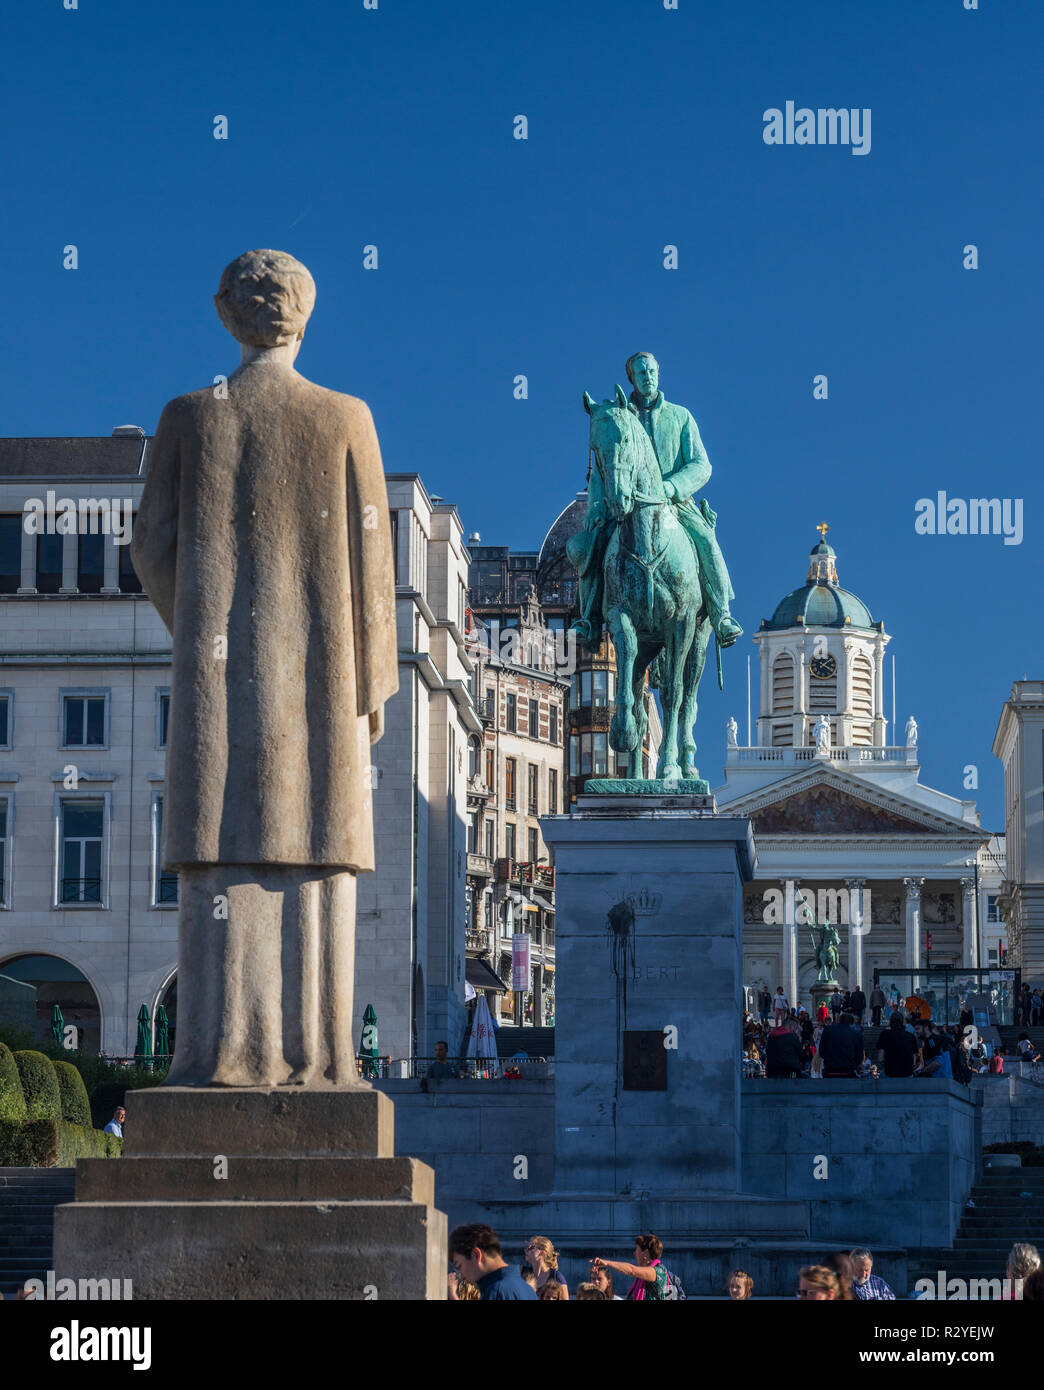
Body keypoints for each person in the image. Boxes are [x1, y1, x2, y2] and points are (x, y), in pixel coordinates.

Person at [568, 351, 742, 650]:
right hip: (622, 505)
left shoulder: (680, 416)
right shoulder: (618, 416)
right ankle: (589, 618)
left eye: (651, 371)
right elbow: (601, 468)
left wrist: (672, 487)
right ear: (632, 379)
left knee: (706, 540)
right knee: (592, 546)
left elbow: (702, 465)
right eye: (641, 373)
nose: (647, 376)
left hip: (675, 504)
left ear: (658, 374)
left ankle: (722, 613)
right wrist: (597, 509)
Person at [449, 1224, 537, 1300]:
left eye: (459, 1265)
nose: (461, 1275)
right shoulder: (528, 1290)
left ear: (475, 1254)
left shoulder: (496, 1291)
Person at [591, 1234, 671, 1301]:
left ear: (645, 1253)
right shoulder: (642, 1277)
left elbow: (632, 1270)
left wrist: (607, 1263)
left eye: (636, 1249)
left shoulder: (657, 1271)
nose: (634, 1253)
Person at [819, 1013, 864, 1078]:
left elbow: (821, 1051)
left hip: (830, 1069)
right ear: (851, 1023)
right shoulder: (856, 1033)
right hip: (848, 1070)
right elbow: (859, 1056)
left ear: (839, 1021)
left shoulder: (828, 1030)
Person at [876, 1013, 917, 1078]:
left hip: (890, 1072)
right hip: (907, 1073)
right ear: (903, 1022)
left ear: (891, 1021)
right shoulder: (911, 1036)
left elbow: (880, 1058)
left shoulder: (884, 1034)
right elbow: (914, 1059)